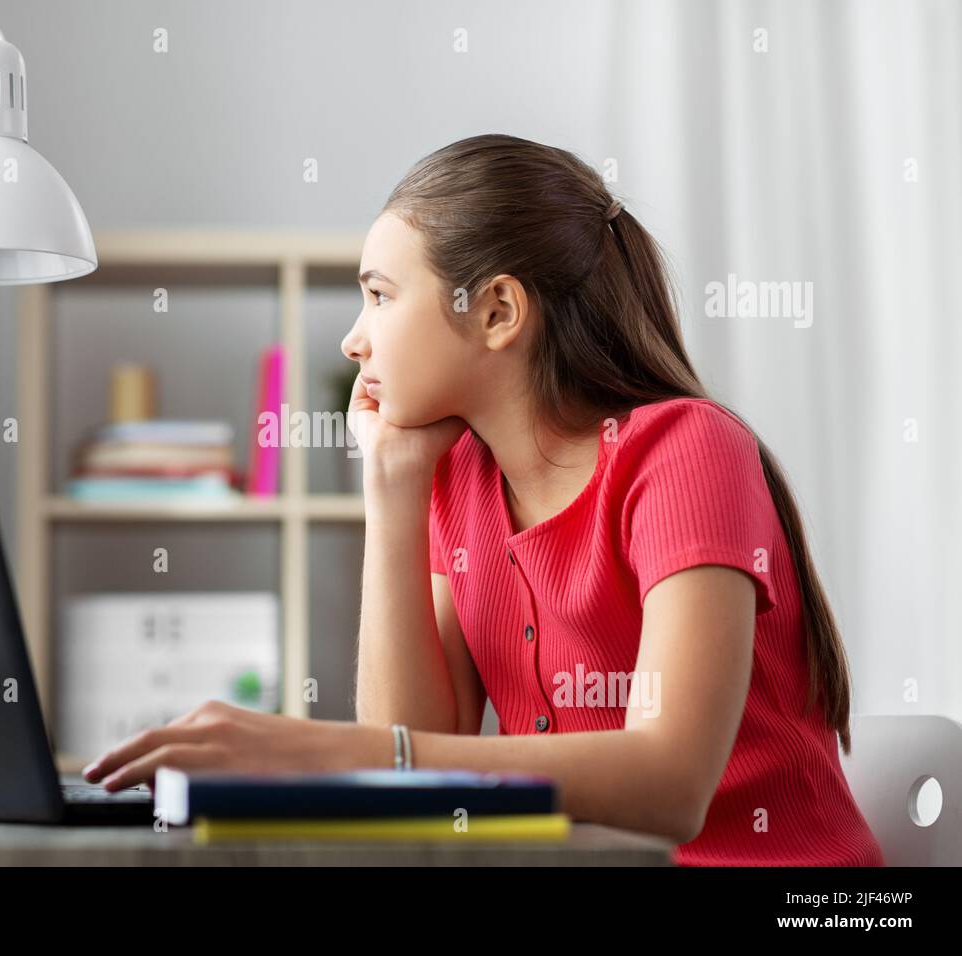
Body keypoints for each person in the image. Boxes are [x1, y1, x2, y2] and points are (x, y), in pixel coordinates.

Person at [84, 134, 883, 866]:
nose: (352, 339)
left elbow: (668, 785)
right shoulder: (459, 477)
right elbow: (418, 767)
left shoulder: (685, 452)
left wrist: (317, 752)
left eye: (381, 296)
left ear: (496, 311)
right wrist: (393, 487)